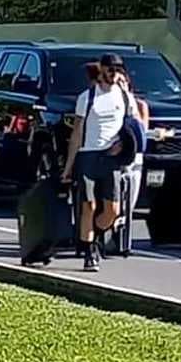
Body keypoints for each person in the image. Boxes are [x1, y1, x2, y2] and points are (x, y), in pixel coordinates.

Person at [63, 53, 139, 272]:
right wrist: (69, 167)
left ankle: (92, 237)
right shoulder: (87, 98)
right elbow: (76, 134)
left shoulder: (124, 97)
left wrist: (125, 145)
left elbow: (134, 126)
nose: (114, 73)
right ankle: (89, 253)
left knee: (112, 210)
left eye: (118, 70)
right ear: (102, 69)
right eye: (110, 69)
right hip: (88, 155)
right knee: (88, 206)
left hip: (111, 158)